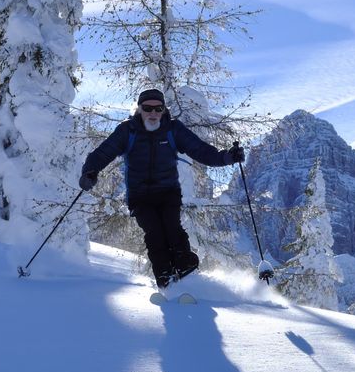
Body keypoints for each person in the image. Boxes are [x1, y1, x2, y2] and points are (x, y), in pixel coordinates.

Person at [79, 89, 245, 288]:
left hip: (168, 192)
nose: (153, 113)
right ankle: (165, 278)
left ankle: (187, 272)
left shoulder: (172, 129)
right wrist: (90, 171)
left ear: (164, 110)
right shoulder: (128, 131)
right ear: (139, 109)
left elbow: (200, 150)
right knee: (154, 233)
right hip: (139, 196)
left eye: (158, 108)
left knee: (172, 228)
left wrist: (227, 157)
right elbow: (103, 153)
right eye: (147, 108)